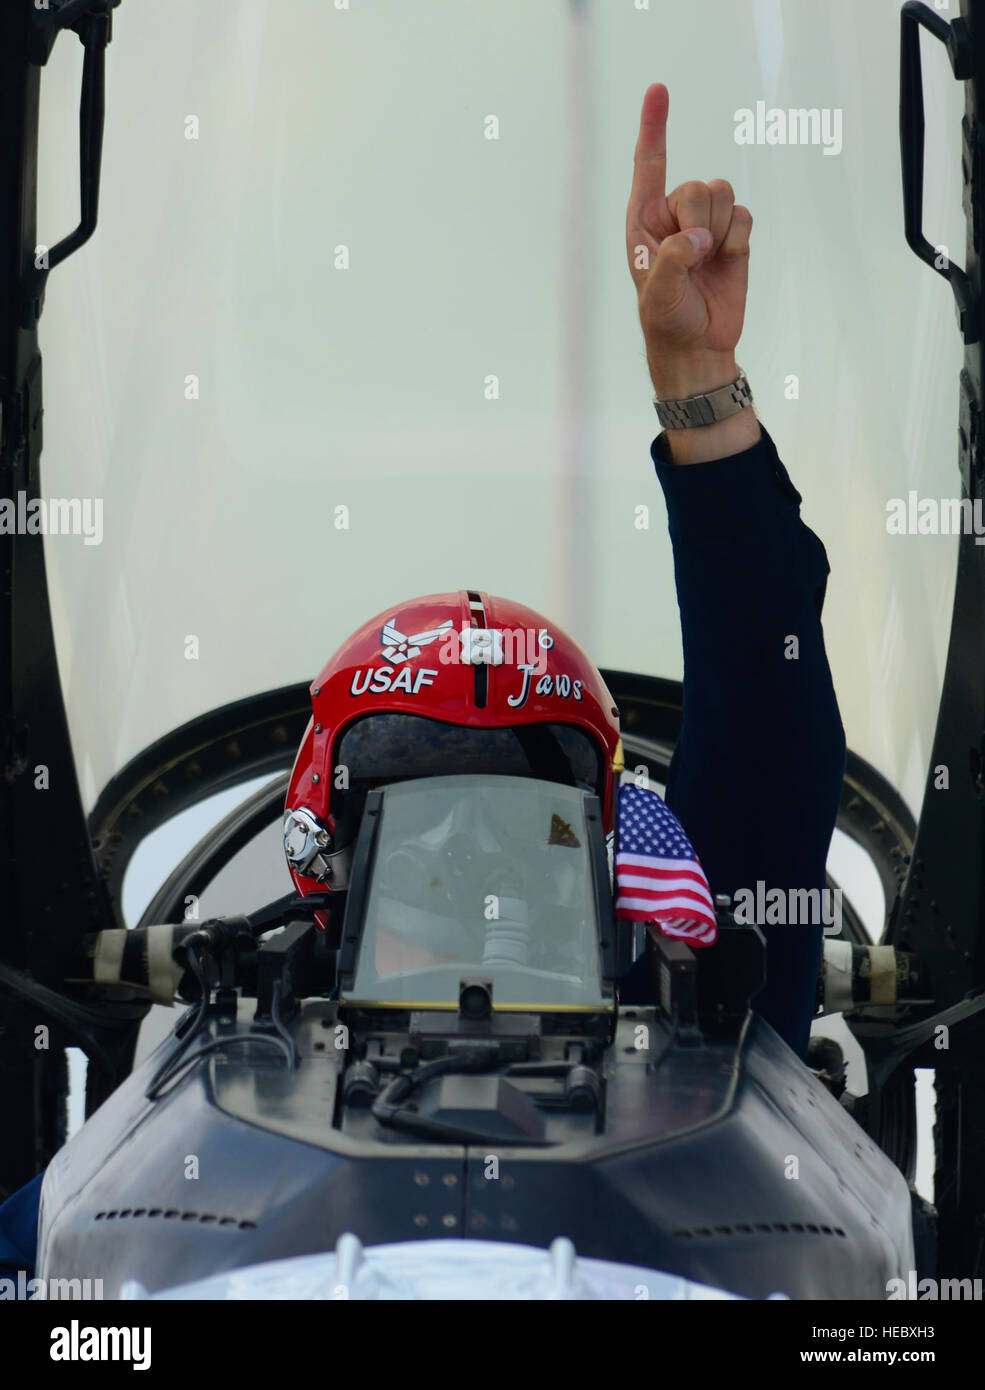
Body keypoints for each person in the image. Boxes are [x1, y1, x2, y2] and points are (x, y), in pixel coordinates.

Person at [0, 80, 845, 1285]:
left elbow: (771, 735)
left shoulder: (709, 1028)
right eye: (423, 820)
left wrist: (695, 379)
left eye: (526, 823)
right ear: (329, 852)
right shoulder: (195, 1092)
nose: (479, 881)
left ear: (610, 854)